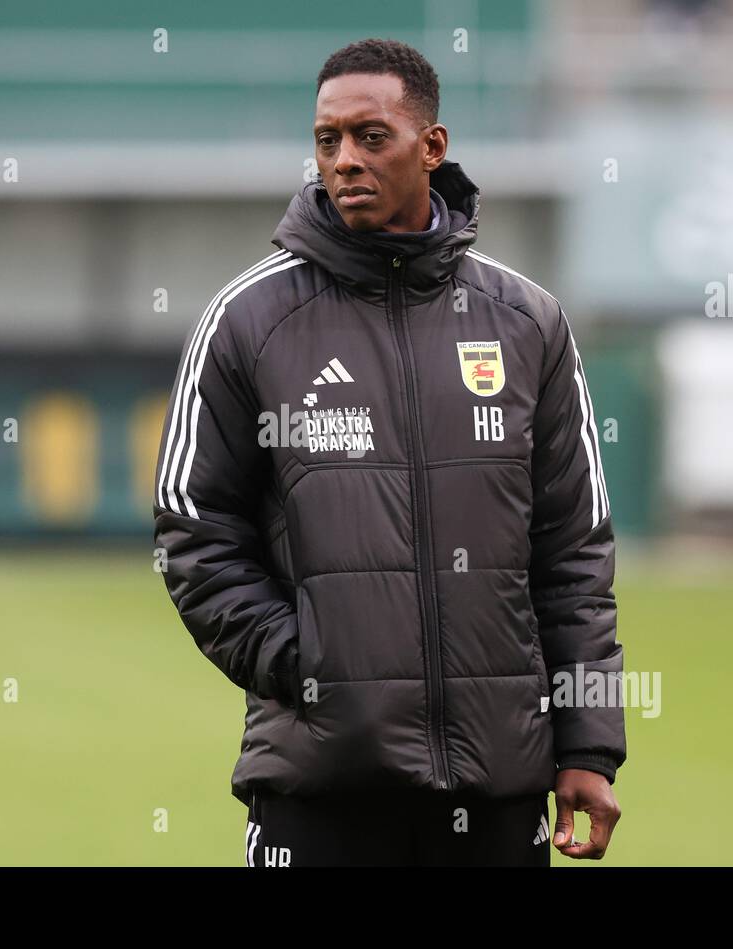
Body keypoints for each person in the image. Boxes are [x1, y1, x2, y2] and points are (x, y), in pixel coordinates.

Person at [153, 38, 624, 866]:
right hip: (323, 784)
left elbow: (573, 550)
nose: (344, 160)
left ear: (432, 148)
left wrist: (586, 744)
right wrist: (308, 664)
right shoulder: (248, 320)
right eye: (327, 140)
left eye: (372, 137)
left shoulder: (527, 322)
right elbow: (194, 528)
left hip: (499, 788)